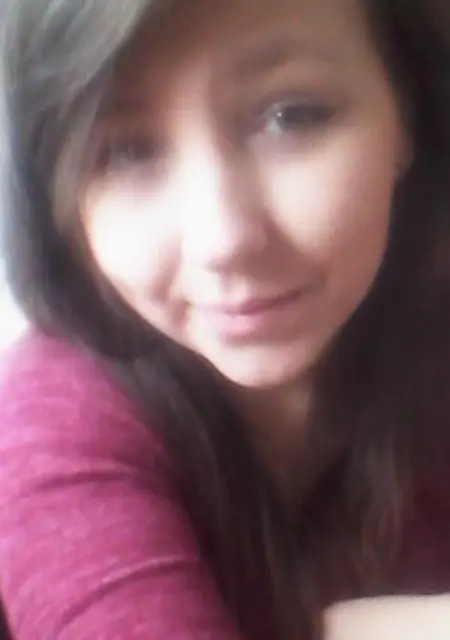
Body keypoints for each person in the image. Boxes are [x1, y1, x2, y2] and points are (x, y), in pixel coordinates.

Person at [0, 0, 450, 638]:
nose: (223, 240)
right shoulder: (50, 422)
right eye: (125, 152)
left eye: (290, 116)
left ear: (406, 114)